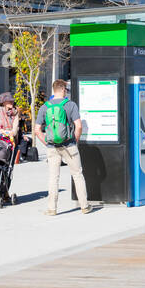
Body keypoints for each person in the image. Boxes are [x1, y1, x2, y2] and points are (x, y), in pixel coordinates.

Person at [33, 79, 92, 215]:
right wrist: (74, 141)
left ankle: (52, 209)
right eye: (66, 90)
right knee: (77, 175)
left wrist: (47, 142)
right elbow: (79, 126)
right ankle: (84, 206)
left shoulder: (45, 107)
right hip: (69, 145)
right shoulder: (70, 105)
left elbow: (37, 130)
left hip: (52, 147)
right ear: (63, 90)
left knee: (54, 177)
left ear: (54, 90)